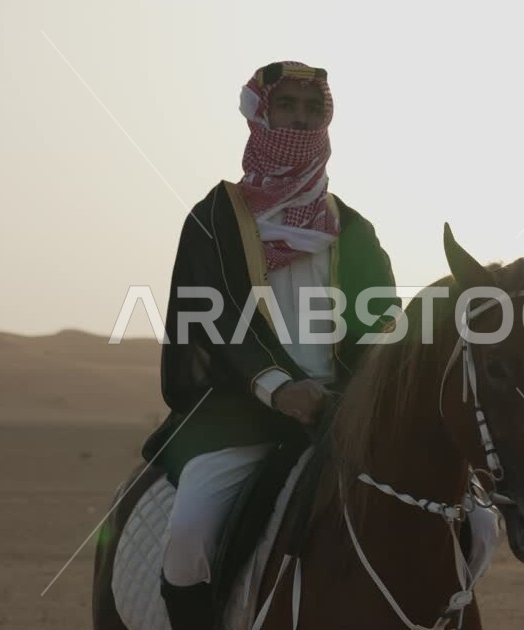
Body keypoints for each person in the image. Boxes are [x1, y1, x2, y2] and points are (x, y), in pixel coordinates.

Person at [139, 60, 400, 629]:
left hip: (342, 416)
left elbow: (383, 319)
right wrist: (279, 388)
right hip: (240, 413)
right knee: (189, 539)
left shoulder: (352, 228)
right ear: (260, 115)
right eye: (287, 106)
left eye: (313, 109)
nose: (301, 120)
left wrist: (370, 380)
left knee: (470, 522)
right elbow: (210, 316)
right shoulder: (215, 219)